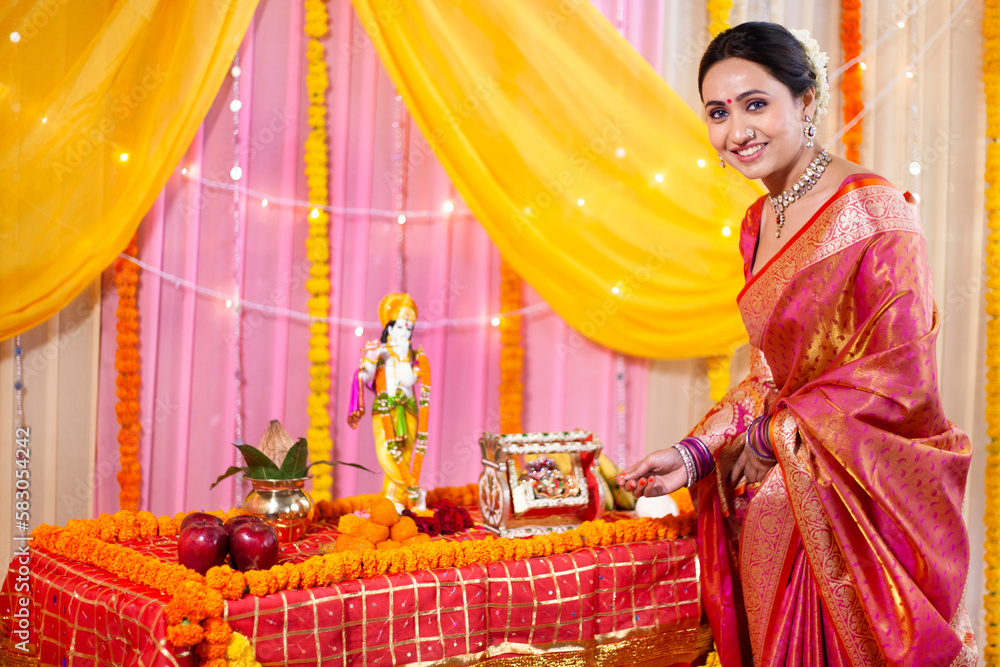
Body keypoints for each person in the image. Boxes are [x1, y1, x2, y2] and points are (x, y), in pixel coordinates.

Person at [618, 22, 976, 667]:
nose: (737, 131)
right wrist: (695, 453)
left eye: (756, 104)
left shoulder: (874, 211)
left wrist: (772, 436)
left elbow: (901, 384)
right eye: (718, 113)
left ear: (806, 101)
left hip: (854, 517)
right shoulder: (758, 222)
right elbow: (770, 377)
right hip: (777, 513)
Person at [347, 293, 431, 511]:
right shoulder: (379, 351)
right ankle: (414, 491)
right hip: (384, 410)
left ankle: (393, 500)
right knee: (387, 455)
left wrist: (403, 356)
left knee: (403, 455)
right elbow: (364, 377)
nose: (405, 332)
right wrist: (371, 359)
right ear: (389, 328)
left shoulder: (414, 355)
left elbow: (408, 380)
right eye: (400, 327)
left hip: (408, 409)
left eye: (409, 328)